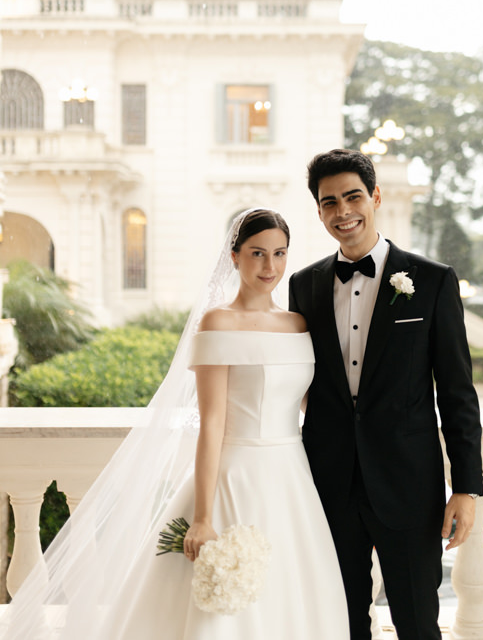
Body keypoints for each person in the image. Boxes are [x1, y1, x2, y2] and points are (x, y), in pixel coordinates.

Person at [3, 208, 350, 640]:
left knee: (294, 597)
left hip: (292, 478)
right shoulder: (218, 322)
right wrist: (203, 518)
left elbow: (309, 408)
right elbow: (212, 428)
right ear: (235, 255)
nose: (269, 267)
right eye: (257, 253)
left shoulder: (298, 325)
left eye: (279, 254)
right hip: (235, 475)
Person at [289, 150, 483, 640]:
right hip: (328, 486)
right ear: (318, 211)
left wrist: (466, 486)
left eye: (353, 196)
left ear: (375, 197)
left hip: (408, 487)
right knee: (339, 622)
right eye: (329, 202)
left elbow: (457, 393)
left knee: (418, 624)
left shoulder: (432, 281)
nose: (343, 211)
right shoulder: (303, 286)